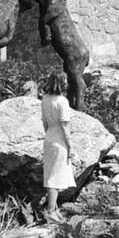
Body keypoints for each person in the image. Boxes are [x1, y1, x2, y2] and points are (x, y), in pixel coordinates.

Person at [40, 69, 75, 224]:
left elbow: (45, 122)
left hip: (49, 136)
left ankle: (54, 209)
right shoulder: (62, 101)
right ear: (62, 83)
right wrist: (71, 146)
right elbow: (65, 127)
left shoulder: (45, 99)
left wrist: (49, 134)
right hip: (60, 139)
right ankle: (50, 211)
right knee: (56, 176)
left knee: (51, 173)